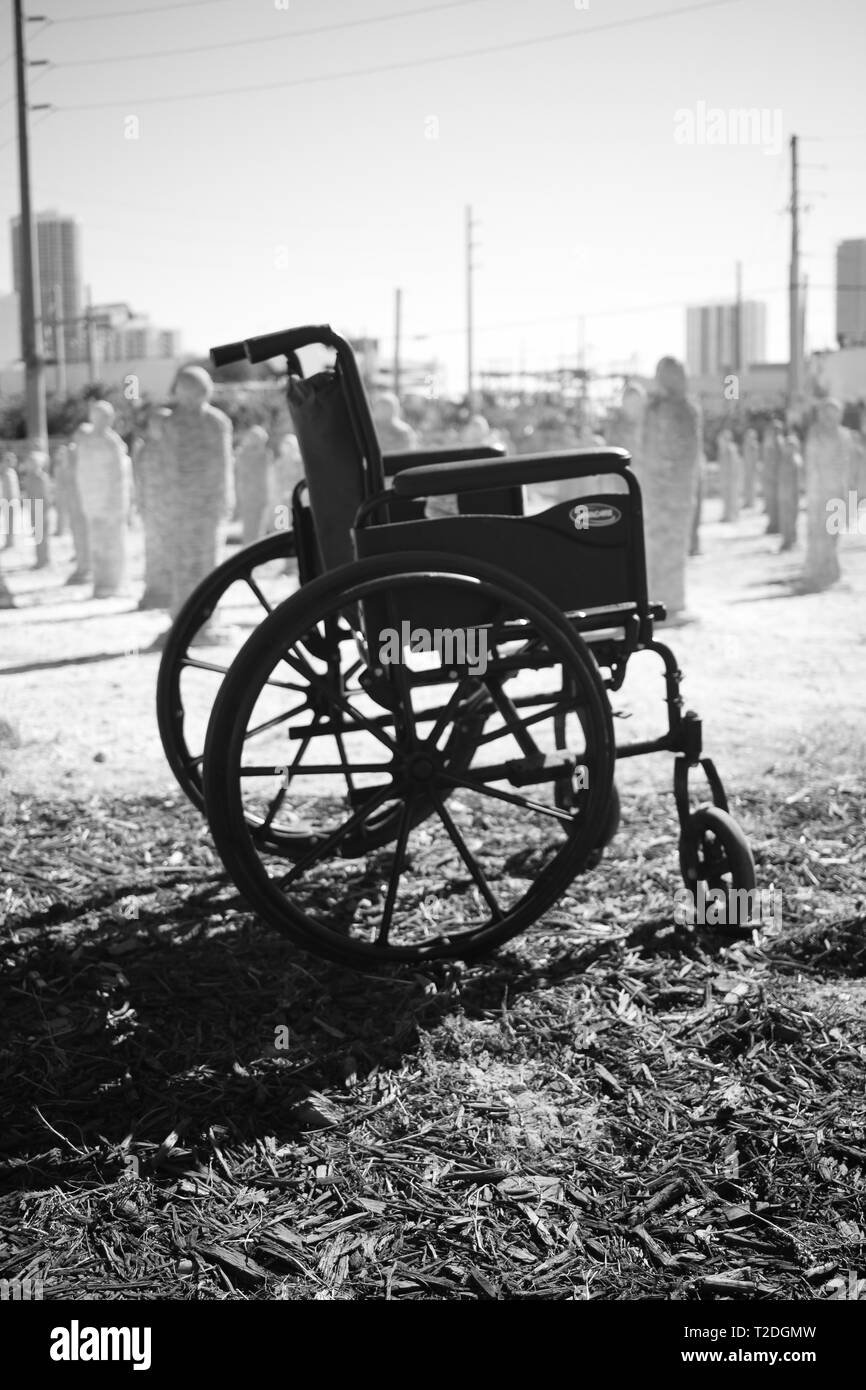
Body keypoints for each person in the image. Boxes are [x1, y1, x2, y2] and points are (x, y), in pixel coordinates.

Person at [160, 365, 234, 627]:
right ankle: (182, 618)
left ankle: (207, 620)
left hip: (207, 505)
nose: (187, 396)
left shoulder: (217, 423)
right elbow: (165, 467)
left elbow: (223, 466)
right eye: (183, 389)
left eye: (192, 390)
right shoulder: (169, 424)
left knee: (208, 562)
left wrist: (225, 499)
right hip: (180, 506)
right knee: (181, 562)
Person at [638, 357, 701, 622]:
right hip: (656, 491)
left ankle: (672, 599)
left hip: (677, 491)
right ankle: (655, 600)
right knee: (654, 545)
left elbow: (690, 452)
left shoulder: (688, 410)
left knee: (674, 544)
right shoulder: (653, 409)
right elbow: (644, 448)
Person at [73, 401, 132, 597]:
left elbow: (120, 475)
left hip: (111, 503)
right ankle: (101, 583)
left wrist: (117, 501)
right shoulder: (87, 441)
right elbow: (82, 471)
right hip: (93, 502)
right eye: (97, 416)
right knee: (97, 544)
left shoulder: (112, 442)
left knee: (114, 543)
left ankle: (114, 583)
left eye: (105, 416)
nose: (101, 420)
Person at [801, 398, 850, 591]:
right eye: (827, 413)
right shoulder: (815, 435)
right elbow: (811, 467)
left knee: (834, 533)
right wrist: (811, 493)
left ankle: (831, 569)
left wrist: (850, 496)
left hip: (838, 491)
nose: (830, 418)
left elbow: (849, 469)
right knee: (818, 532)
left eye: (834, 413)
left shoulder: (845, 437)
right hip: (819, 492)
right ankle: (816, 570)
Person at [132, 406, 172, 609]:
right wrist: (139, 502)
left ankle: (169, 591)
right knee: (153, 551)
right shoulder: (145, 450)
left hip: (171, 510)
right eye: (155, 423)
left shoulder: (175, 448)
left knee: (171, 551)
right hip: (151, 508)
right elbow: (138, 479)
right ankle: (155, 590)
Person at [54, 440, 91, 584]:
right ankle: (81, 562)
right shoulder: (66, 468)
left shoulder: (82, 468)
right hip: (74, 508)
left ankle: (86, 566)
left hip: (82, 510)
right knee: (77, 535)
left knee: (84, 536)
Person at [235, 423, 273, 546]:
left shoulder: (264, 455)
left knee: (258, 527)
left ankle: (257, 551)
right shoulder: (243, 454)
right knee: (248, 527)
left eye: (255, 437)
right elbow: (241, 474)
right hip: (248, 496)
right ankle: (247, 550)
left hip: (259, 495)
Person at [19, 448, 52, 569]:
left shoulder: (41, 478)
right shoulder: (29, 478)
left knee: (42, 536)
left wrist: (44, 511)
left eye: (31, 462)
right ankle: (40, 559)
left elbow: (47, 497)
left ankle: (44, 560)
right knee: (37, 536)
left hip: (41, 510)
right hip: (33, 509)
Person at [777, 429, 802, 552]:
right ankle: (786, 539)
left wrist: (794, 496)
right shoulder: (784, 460)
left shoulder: (795, 461)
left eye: (790, 446)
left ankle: (791, 540)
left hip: (792, 495)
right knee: (784, 518)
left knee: (791, 518)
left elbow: (797, 482)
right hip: (784, 494)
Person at [717, 427, 742, 524]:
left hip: (730, 479)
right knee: (726, 497)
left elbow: (733, 466)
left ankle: (731, 516)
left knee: (731, 497)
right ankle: (727, 515)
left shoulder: (730, 449)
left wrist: (731, 478)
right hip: (726, 478)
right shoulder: (724, 450)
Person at [1, 452, 20, 550]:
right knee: (8, 522)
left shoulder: (12, 472)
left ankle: (11, 541)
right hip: (7, 501)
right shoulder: (5, 472)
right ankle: (9, 542)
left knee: (12, 522)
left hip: (13, 501)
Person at [742, 426, 759, 508]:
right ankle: (747, 501)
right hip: (746, 468)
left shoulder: (754, 445)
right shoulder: (746, 445)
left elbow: (755, 458)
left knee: (752, 486)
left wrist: (754, 468)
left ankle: (751, 502)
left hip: (752, 469)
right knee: (746, 485)